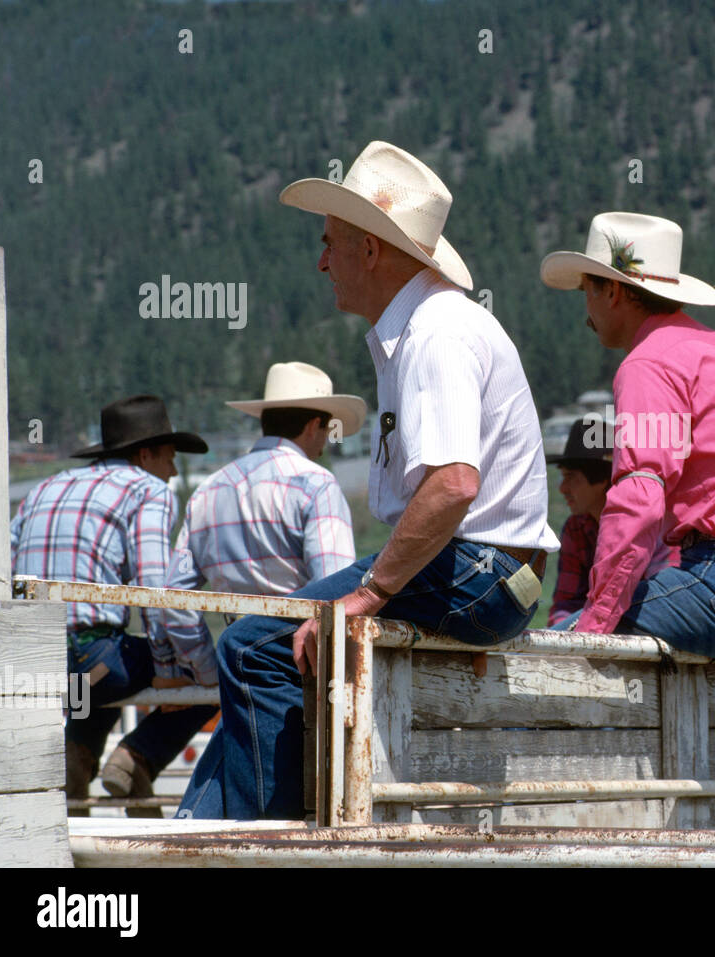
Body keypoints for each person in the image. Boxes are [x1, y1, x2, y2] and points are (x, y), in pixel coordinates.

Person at [177, 141, 558, 819]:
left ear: (373, 250)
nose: (322, 261)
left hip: (475, 566)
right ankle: (207, 827)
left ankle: (271, 843)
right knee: (269, 641)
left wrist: (372, 590)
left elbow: (454, 483)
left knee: (249, 645)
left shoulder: (433, 334)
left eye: (331, 243)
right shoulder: (432, 325)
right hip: (497, 573)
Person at [540, 213, 715, 661]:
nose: (587, 311)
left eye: (587, 291)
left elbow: (641, 495)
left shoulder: (649, 363)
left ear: (612, 291)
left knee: (558, 646)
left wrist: (593, 627)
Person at [117, 362, 364, 803]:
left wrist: (211, 672)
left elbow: (173, 599)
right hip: (296, 665)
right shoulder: (315, 484)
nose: (327, 439)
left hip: (238, 664)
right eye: (327, 428)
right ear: (313, 425)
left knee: (243, 798)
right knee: (300, 807)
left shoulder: (210, 488)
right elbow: (335, 593)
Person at [10, 395, 216, 817]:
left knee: (100, 670)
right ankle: (137, 757)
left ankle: (77, 762)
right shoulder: (148, 490)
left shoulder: (45, 487)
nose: (174, 470)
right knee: (211, 674)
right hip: (90, 658)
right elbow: (155, 588)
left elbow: (4, 563)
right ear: (146, 454)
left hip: (25, 656)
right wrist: (168, 672)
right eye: (171, 457)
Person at [545, 414, 677, 626]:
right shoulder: (576, 528)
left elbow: (663, 598)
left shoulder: (654, 525)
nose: (562, 488)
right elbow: (566, 603)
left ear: (600, 478)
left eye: (571, 477)